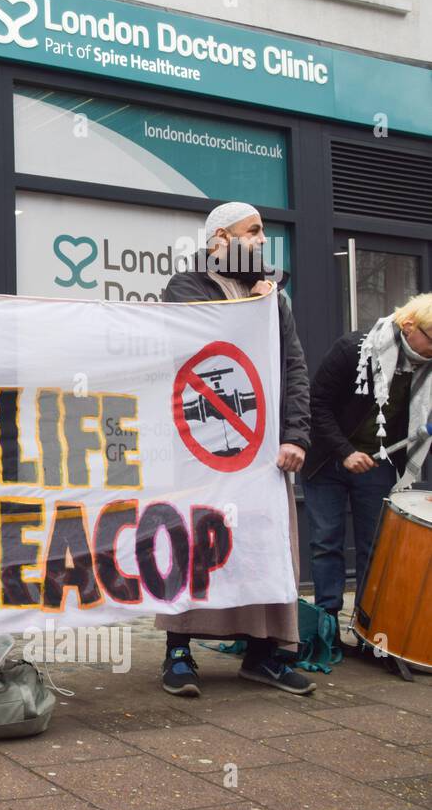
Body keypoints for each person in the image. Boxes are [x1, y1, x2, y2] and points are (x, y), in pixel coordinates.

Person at [155, 201, 316, 697]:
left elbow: (293, 368)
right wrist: (254, 307)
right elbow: (194, 341)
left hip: (262, 447)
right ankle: (178, 652)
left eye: (263, 232)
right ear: (219, 240)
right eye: (253, 231)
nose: (262, 240)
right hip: (199, 447)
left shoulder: (274, 297)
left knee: (263, 541)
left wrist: (296, 434)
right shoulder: (186, 287)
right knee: (194, 538)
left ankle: (265, 654)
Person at [303, 294, 432, 639]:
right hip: (329, 460)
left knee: (374, 549)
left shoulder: (427, 366)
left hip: (379, 462)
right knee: (326, 542)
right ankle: (325, 625)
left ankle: (366, 627)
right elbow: (317, 404)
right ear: (409, 326)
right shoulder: (353, 349)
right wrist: (345, 451)